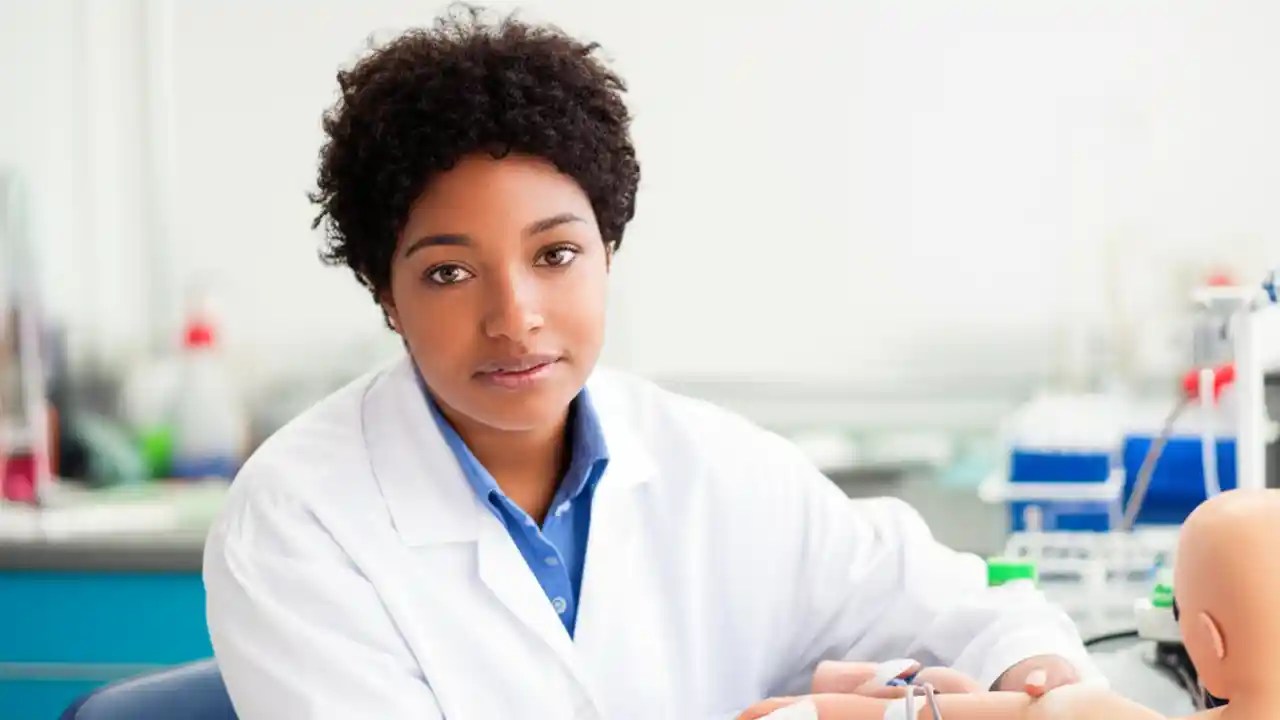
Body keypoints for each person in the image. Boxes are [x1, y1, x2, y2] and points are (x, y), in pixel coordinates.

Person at [203, 7, 1094, 719]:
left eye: (555, 255)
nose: (514, 318)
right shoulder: (297, 521)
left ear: (608, 251)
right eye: (449, 272)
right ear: (385, 293)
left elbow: (971, 607)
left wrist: (1048, 691)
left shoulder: (712, 463)